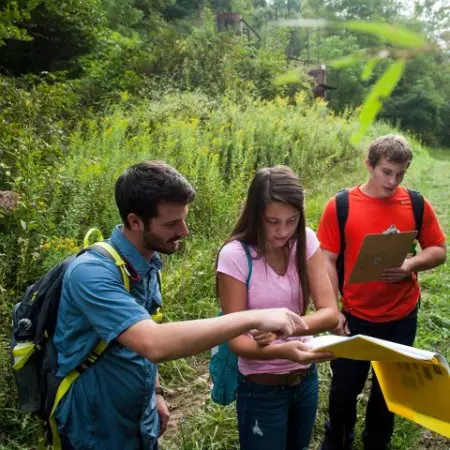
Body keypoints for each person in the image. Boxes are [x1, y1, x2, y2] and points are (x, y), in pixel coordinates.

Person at [53, 160, 331, 450]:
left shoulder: (144, 265)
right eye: (172, 223)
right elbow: (153, 342)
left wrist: (155, 392)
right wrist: (255, 318)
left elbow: (134, 337)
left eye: (183, 219)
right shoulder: (92, 274)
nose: (185, 231)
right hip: (95, 422)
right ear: (136, 222)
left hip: (138, 412)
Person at [317, 135, 447, 450]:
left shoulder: (416, 204)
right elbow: (327, 260)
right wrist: (333, 311)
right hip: (354, 317)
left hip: (401, 317)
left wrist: (410, 264)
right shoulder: (341, 205)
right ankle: (339, 439)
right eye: (386, 172)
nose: (392, 181)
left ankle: (377, 442)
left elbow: (439, 250)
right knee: (344, 389)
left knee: (388, 391)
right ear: (369, 165)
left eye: (399, 174)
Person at [216, 165, 339, 450]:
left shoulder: (306, 241)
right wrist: (285, 348)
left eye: (291, 220)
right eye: (273, 221)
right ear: (256, 214)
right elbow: (236, 342)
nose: (283, 231)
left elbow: (330, 312)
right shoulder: (235, 256)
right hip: (261, 389)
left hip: (305, 380)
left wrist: (284, 330)